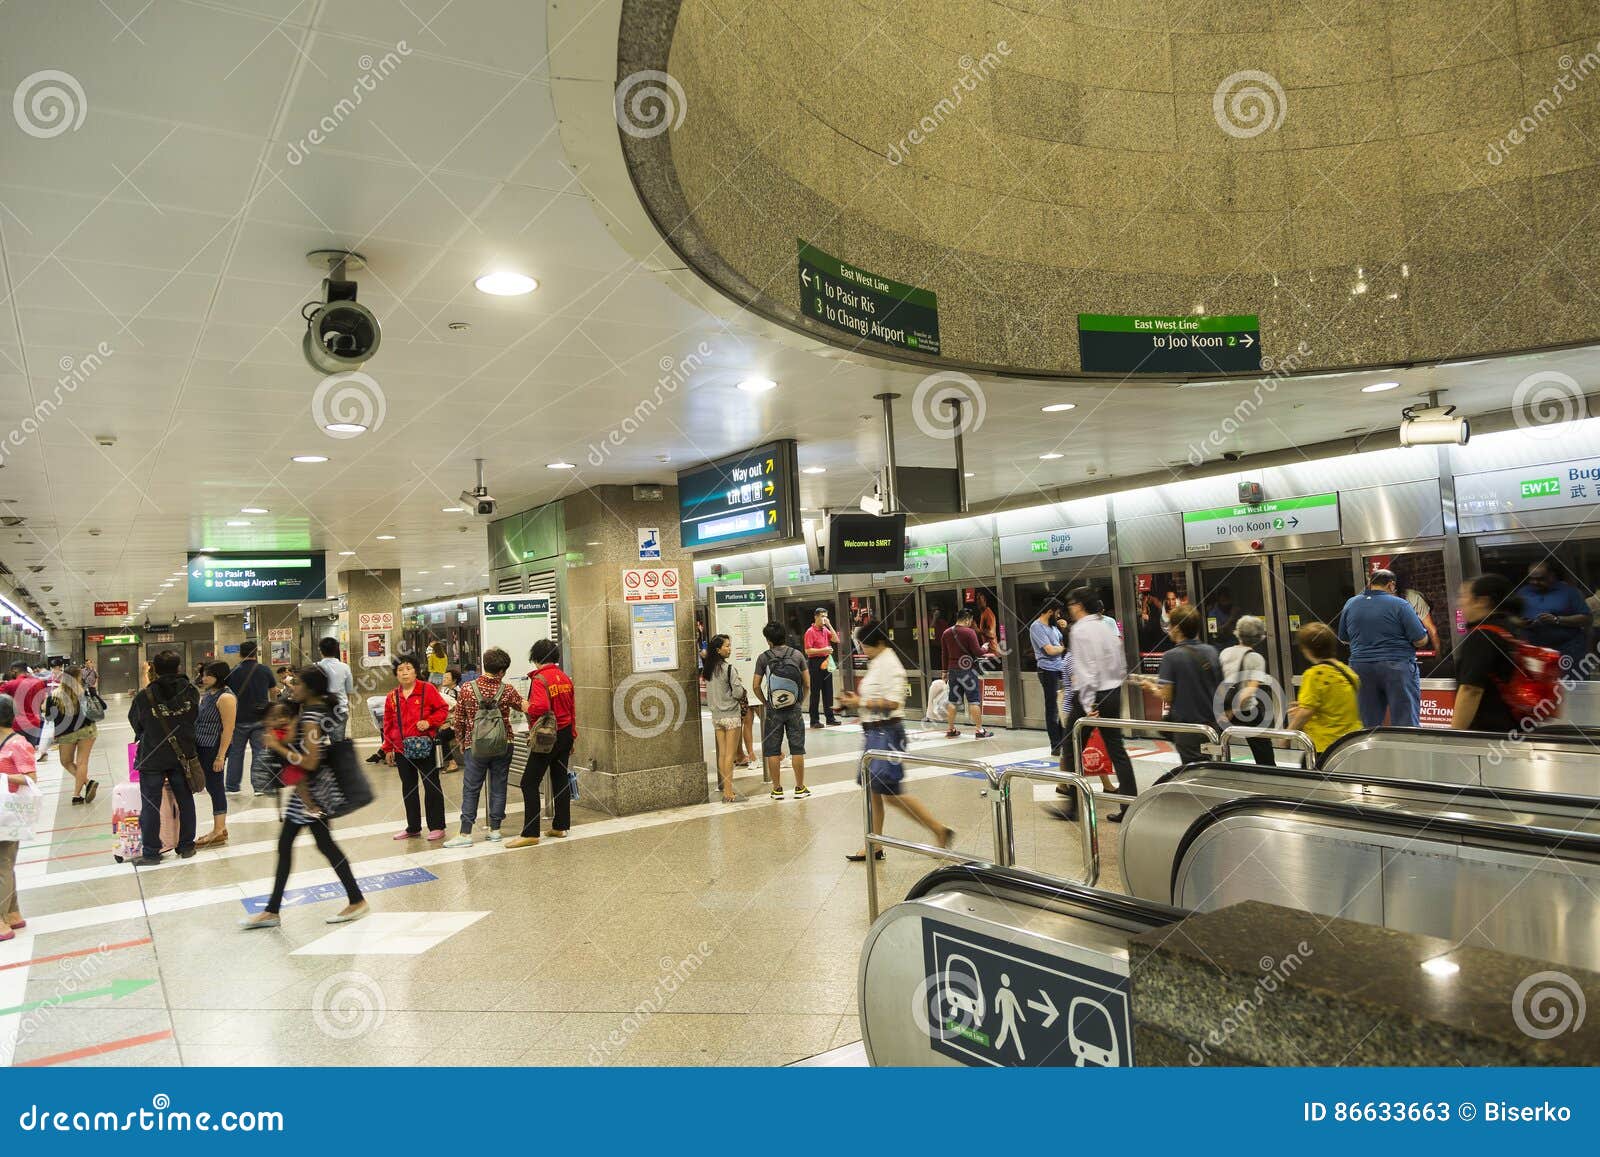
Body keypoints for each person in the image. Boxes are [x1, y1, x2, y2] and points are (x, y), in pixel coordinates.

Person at [239, 664, 367, 929]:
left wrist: (277, 746)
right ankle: (274, 910)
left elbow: (308, 762)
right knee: (307, 845)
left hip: (312, 791)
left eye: (296, 683)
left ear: (309, 688)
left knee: (313, 846)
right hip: (307, 790)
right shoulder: (312, 710)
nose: (291, 686)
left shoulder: (311, 716)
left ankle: (355, 900)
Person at [844, 621, 954, 862]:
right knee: (873, 791)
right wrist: (855, 700)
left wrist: (859, 703)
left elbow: (893, 703)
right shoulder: (878, 663)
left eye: (865, 645)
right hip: (874, 732)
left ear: (879, 642)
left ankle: (938, 829)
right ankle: (875, 843)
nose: (863, 650)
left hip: (887, 733)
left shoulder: (891, 665)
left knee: (891, 793)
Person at [1059, 587, 1137, 821]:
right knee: (1117, 749)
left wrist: (1088, 703)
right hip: (1113, 692)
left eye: (1072, 604)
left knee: (1071, 748)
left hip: (1092, 695)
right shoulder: (1107, 627)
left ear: (1079, 605)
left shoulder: (1080, 629)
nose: (1070, 609)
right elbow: (1120, 662)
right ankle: (1128, 806)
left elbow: (1086, 669)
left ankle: (1073, 807)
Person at [444, 648, 524, 847]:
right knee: (499, 786)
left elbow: (459, 718)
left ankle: (465, 834)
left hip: (475, 745)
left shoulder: (468, 689)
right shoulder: (507, 690)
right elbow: (524, 707)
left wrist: (462, 741)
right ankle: (495, 830)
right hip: (503, 744)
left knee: (471, 789)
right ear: (502, 671)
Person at [127, 649, 200, 865]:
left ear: (155, 670)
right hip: (182, 754)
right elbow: (195, 717)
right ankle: (187, 846)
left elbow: (136, 723)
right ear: (179, 667)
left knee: (151, 804)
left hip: (152, 755)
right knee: (186, 800)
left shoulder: (144, 696)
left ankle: (151, 852)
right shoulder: (190, 691)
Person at [1336, 568, 1428, 728]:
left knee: (1367, 724)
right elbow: (1420, 640)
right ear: (1391, 585)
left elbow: (1343, 638)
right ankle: (1406, 751)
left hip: (1361, 668)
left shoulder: (1351, 604)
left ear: (1369, 583)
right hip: (1397, 667)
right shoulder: (1400, 604)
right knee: (1405, 721)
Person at [1136, 605, 1222, 775]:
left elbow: (1167, 696)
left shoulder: (1171, 656)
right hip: (1212, 726)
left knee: (1194, 773)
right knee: (1212, 770)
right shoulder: (1211, 651)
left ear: (1177, 628)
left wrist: (1151, 687)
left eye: (1171, 625)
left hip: (1187, 728)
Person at [511, 640, 577, 848]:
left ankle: (530, 832)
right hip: (565, 734)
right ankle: (561, 826)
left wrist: (525, 706)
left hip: (547, 737)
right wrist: (573, 735)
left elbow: (540, 707)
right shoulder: (564, 677)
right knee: (559, 778)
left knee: (528, 782)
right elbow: (572, 708)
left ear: (536, 657)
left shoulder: (540, 679)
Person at [382, 654, 449, 841]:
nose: (405, 673)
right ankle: (413, 827)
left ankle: (437, 826)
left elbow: (443, 709)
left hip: (425, 747)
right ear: (396, 674)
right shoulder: (392, 697)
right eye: (400, 670)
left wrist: (429, 722)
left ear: (416, 670)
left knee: (431, 785)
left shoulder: (427, 689)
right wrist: (388, 748)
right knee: (408, 788)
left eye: (408, 668)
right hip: (403, 750)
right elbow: (388, 723)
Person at [1453, 574, 1524, 732]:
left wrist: (1454, 735)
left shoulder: (1482, 636)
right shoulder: (1510, 628)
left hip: (1489, 732)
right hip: (1516, 725)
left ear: (1482, 602)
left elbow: (1471, 690)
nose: (1460, 603)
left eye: (1464, 596)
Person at [752, 621, 810, 800]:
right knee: (797, 749)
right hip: (794, 708)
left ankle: (777, 789)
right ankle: (799, 788)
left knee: (772, 750)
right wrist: (800, 700)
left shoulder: (764, 658)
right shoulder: (797, 655)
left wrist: (766, 702)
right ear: (785, 636)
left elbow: (755, 686)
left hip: (773, 710)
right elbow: (807, 683)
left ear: (768, 640)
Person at [1287, 623, 1361, 759]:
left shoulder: (1314, 675)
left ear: (1308, 650)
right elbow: (1336, 702)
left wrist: (1287, 735)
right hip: (1350, 743)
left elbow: (1306, 712)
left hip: (1324, 746)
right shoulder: (1347, 671)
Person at [0, 695, 37, 941]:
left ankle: (1, 921)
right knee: (4, 864)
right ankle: (13, 913)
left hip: (8, 813)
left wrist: (4, 778)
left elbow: (31, 777)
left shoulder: (18, 743)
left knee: (3, 865)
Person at [1219, 615, 1276, 767]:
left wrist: (1224, 710)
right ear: (1258, 637)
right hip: (1247, 711)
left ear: (1238, 633)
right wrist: (1234, 710)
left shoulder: (1225, 653)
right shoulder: (1256, 658)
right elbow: (1250, 689)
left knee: (1220, 748)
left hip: (1223, 708)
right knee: (1264, 755)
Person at [1519, 560, 1589, 677]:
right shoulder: (1523, 592)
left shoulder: (1569, 592)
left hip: (1567, 651)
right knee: (1540, 690)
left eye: (1541, 578)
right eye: (1531, 578)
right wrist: (1521, 622)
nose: (1535, 582)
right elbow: (1510, 617)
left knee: (1572, 688)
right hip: (1535, 653)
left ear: (1551, 575)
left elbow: (1586, 618)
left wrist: (1557, 620)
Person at [223, 641, 276, 795]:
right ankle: (259, 787)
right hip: (260, 717)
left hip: (238, 718)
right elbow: (273, 691)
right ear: (256, 653)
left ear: (240, 654)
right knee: (260, 752)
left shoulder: (233, 671)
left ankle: (232, 787)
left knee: (235, 753)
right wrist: (272, 707)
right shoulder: (265, 670)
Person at [193, 662, 237, 847]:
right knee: (211, 786)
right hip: (202, 746)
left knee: (216, 786)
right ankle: (220, 828)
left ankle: (219, 829)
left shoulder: (226, 697)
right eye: (203, 674)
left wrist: (220, 756)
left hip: (213, 748)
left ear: (218, 676)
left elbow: (228, 729)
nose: (203, 679)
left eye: (208, 675)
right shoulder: (208, 694)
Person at [703, 634, 748, 803]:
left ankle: (725, 791)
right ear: (718, 649)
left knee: (722, 754)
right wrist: (741, 687)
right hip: (731, 715)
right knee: (730, 755)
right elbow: (737, 693)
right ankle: (729, 793)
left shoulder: (708, 670)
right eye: (727, 646)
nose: (729, 649)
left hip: (716, 717)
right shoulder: (728, 669)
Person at [941, 608, 994, 739]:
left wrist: (944, 672)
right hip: (968, 670)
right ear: (967, 619)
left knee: (952, 701)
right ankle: (979, 730)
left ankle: (951, 729)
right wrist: (985, 648)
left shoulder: (946, 633)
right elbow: (978, 652)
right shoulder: (969, 633)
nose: (971, 623)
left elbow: (944, 654)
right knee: (973, 700)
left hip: (953, 670)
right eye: (970, 620)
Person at [52, 666, 99, 804]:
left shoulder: (55, 694)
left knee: (65, 761)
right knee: (82, 762)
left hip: (66, 733)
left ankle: (84, 787)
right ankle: (78, 792)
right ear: (79, 677)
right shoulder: (84, 691)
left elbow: (49, 716)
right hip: (87, 730)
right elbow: (100, 708)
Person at [1029, 599, 1069, 755]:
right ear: (1051, 611)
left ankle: (1064, 739)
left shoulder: (1053, 626)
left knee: (1063, 705)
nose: (1059, 616)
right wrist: (1063, 648)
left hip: (1060, 668)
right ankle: (1056, 744)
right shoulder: (1036, 627)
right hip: (1047, 670)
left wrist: (1064, 630)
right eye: (1057, 612)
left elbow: (1060, 643)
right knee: (1052, 707)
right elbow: (1050, 650)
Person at [802, 607, 841, 728]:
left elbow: (836, 639)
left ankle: (830, 718)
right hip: (815, 662)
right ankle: (814, 720)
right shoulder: (810, 631)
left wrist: (829, 625)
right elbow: (808, 650)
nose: (824, 619)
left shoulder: (825, 630)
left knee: (828, 691)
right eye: (822, 616)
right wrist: (824, 649)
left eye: (826, 616)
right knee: (815, 692)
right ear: (816, 617)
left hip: (826, 661)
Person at [0, 663, 48, 754]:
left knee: (16, 755)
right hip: (34, 723)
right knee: (29, 753)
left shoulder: (10, 685)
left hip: (17, 724)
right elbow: (42, 701)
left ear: (15, 670)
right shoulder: (39, 683)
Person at [317, 637, 354, 740]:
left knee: (317, 746)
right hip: (339, 710)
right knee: (338, 746)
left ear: (320, 650)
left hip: (320, 711)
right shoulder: (345, 667)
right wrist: (347, 708)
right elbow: (349, 690)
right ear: (336, 650)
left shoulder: (315, 667)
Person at [436, 668, 462, 773]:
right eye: (444, 677)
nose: (444, 679)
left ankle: (452, 763)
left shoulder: (460, 693)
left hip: (457, 724)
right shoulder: (444, 691)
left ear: (454, 680)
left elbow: (461, 713)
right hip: (445, 721)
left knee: (441, 736)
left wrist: (449, 723)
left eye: (447, 678)